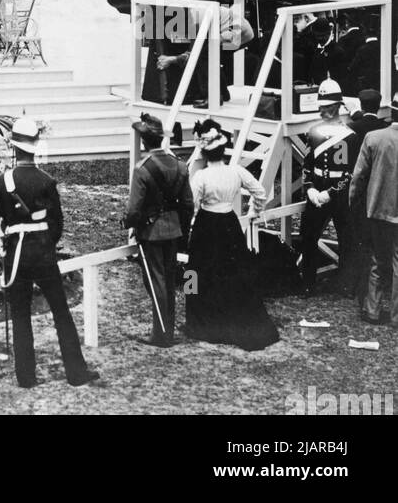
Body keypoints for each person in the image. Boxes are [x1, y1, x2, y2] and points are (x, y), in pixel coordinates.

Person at [0, 117, 100, 389]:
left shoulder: (2, 181)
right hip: (42, 253)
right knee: (61, 312)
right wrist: (44, 243)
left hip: (16, 254)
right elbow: (57, 224)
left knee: (20, 314)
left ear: (14, 148)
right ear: (34, 147)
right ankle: (76, 373)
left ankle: (26, 377)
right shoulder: (46, 181)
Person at [185, 128, 279, 350]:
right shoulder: (236, 171)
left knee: (198, 271)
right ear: (224, 151)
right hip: (229, 223)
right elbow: (260, 192)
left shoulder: (201, 176)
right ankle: (234, 317)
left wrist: (191, 223)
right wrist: (255, 212)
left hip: (207, 225)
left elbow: (192, 205)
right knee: (234, 271)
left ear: (205, 153)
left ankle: (201, 321)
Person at [124, 114, 193, 347]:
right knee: (168, 278)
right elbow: (187, 204)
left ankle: (161, 334)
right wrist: (182, 229)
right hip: (173, 230)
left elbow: (134, 208)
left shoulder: (142, 169)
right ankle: (168, 330)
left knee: (156, 282)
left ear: (144, 141)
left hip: (151, 232)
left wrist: (130, 223)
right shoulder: (180, 166)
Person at [298, 78, 360, 295]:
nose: (323, 111)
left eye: (328, 108)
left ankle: (346, 284)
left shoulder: (349, 136)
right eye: (321, 107)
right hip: (317, 188)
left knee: (346, 238)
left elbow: (349, 173)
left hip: (338, 193)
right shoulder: (312, 132)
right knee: (308, 236)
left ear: (337, 107)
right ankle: (308, 282)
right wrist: (310, 188)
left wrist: (330, 193)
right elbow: (307, 165)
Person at [348, 91, 398, 326]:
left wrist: (353, 201)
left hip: (376, 208)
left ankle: (372, 310)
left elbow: (358, 177)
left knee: (378, 259)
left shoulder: (373, 138)